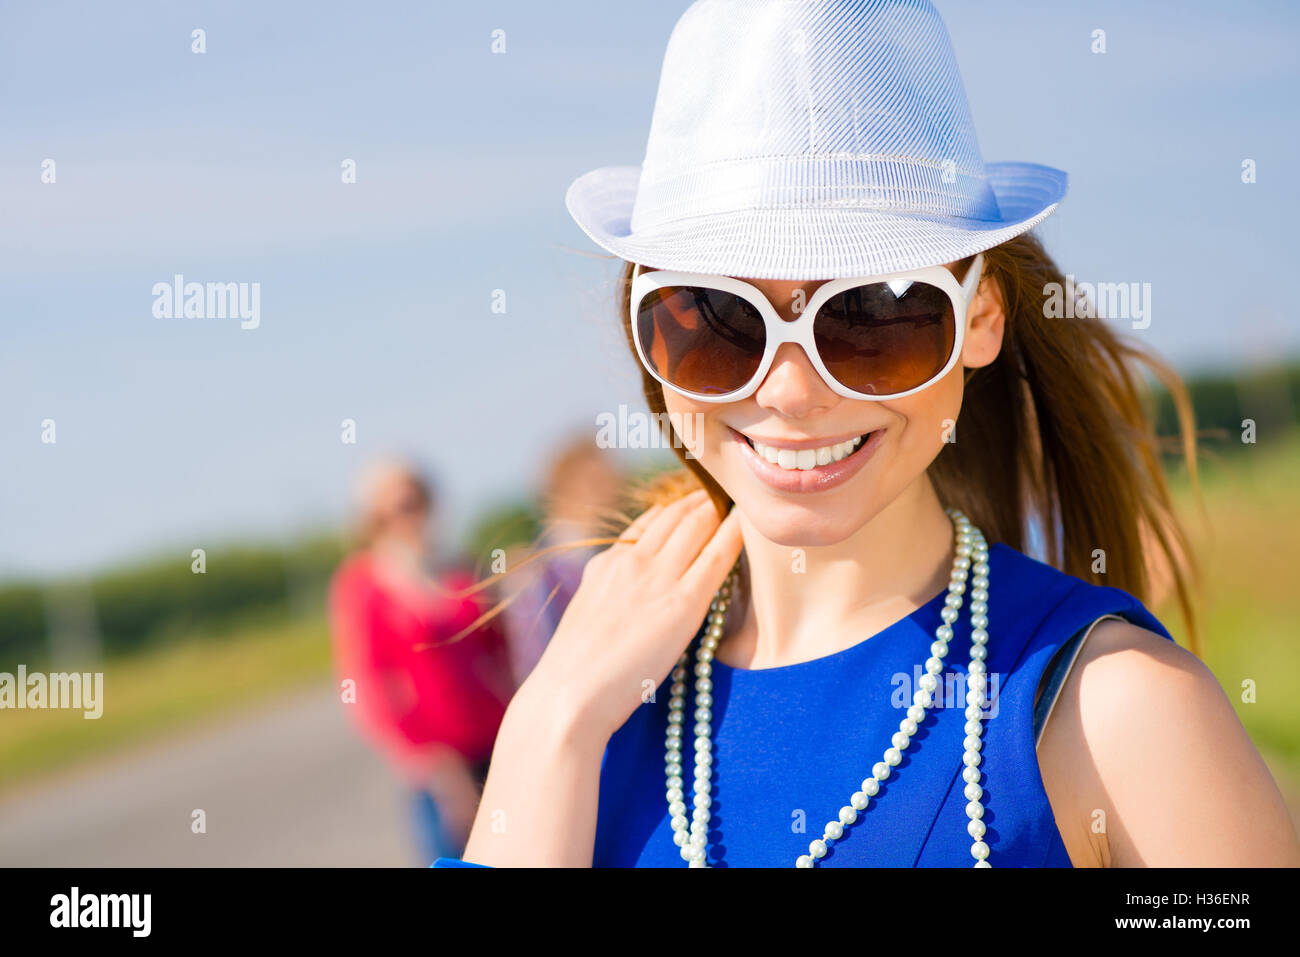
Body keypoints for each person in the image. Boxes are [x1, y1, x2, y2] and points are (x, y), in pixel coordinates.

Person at [443, 0, 1300, 867]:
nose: (790, 392)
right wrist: (548, 723)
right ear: (649, 336)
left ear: (981, 320)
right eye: (716, 317)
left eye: (871, 314)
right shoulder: (597, 706)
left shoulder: (1119, 711)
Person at [328, 459, 511, 865]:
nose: (408, 517)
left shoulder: (459, 565)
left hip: (497, 738)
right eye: (393, 510)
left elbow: (502, 651)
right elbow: (368, 687)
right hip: (438, 764)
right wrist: (430, 762)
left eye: (415, 502)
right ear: (373, 520)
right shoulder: (365, 583)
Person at [500, 434, 623, 687]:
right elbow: (534, 669)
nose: (614, 491)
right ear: (567, 489)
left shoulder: (612, 557)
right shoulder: (535, 574)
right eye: (597, 483)